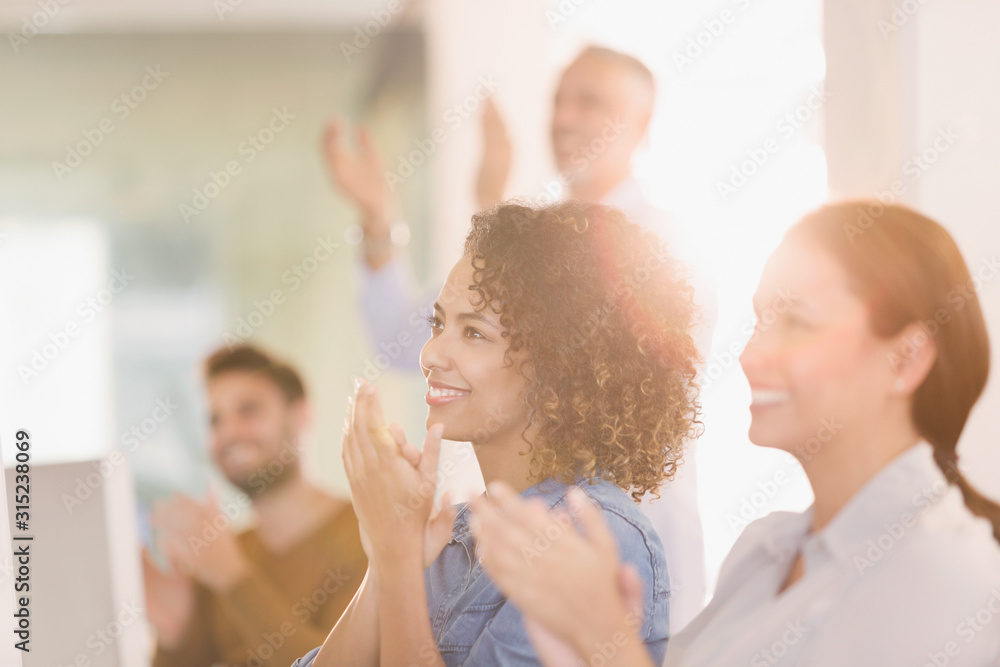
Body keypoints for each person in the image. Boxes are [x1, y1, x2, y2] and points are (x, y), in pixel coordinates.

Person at [468, 200, 1000, 666]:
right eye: (760, 320)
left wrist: (604, 635)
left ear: (905, 358)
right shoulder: (764, 550)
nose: (750, 356)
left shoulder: (945, 578)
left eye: (797, 322)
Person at [323, 45, 715, 631]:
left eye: (591, 101)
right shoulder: (532, 237)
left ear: (642, 126)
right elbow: (404, 341)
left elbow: (592, 374)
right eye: (559, 99)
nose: (564, 117)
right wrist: (381, 220)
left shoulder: (660, 251)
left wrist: (496, 216)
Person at [292, 200, 702, 666]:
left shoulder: (593, 535)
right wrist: (389, 557)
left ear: (559, 370)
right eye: (439, 324)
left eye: (474, 334)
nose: (429, 355)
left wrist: (398, 558)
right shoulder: (447, 536)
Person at [143, 345, 367, 667]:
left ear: (300, 415)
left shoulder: (365, 534)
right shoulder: (223, 552)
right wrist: (175, 630)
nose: (229, 432)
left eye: (248, 411)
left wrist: (234, 578)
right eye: (215, 420)